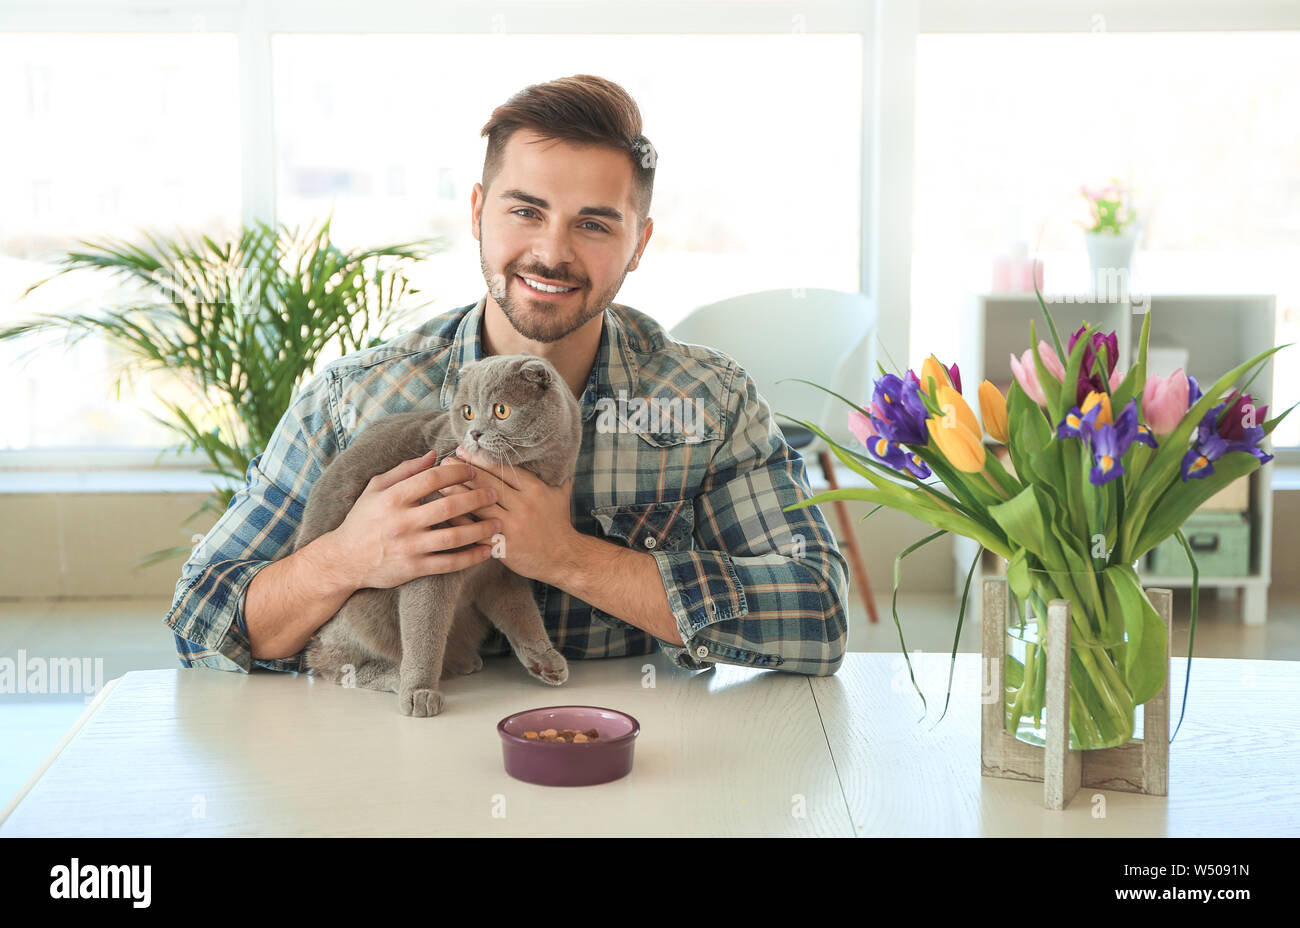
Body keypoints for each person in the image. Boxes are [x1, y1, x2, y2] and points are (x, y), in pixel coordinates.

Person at [164, 74, 849, 677]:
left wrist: (567, 558)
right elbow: (202, 621)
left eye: (594, 225)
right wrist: (347, 556)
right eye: (525, 211)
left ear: (638, 244)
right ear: (476, 212)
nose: (551, 252)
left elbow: (818, 616)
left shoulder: (709, 401)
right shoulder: (354, 398)